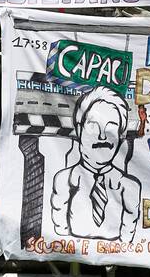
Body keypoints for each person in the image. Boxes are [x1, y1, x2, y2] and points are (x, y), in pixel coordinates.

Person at [50, 87, 141, 242]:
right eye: (93, 126)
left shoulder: (128, 186)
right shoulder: (65, 179)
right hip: (75, 253)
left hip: (115, 256)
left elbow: (129, 227)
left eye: (111, 127)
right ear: (79, 130)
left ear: (120, 136)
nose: (102, 136)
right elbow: (59, 227)